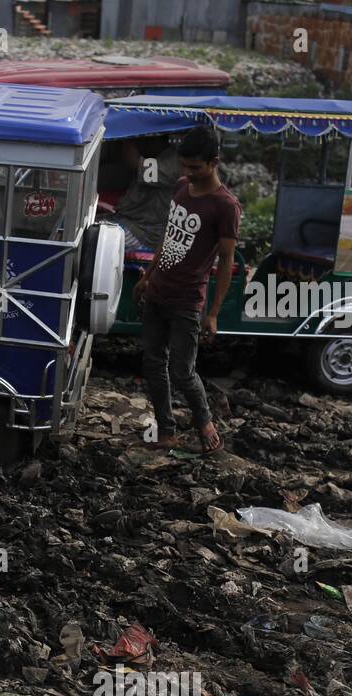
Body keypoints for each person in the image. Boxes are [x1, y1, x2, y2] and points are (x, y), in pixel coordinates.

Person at [134, 125, 240, 455]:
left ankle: (205, 424)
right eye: (185, 166)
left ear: (214, 162)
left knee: (182, 371)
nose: (188, 173)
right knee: (153, 364)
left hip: (186, 301)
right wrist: (147, 275)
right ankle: (166, 430)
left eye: (195, 167)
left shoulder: (225, 206)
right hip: (158, 293)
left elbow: (225, 262)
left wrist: (213, 313)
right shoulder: (181, 188)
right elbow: (168, 238)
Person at [101, 136, 182, 251]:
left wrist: (131, 134)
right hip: (130, 222)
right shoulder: (162, 155)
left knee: (94, 237)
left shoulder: (173, 163)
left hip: (144, 233)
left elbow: (133, 162)